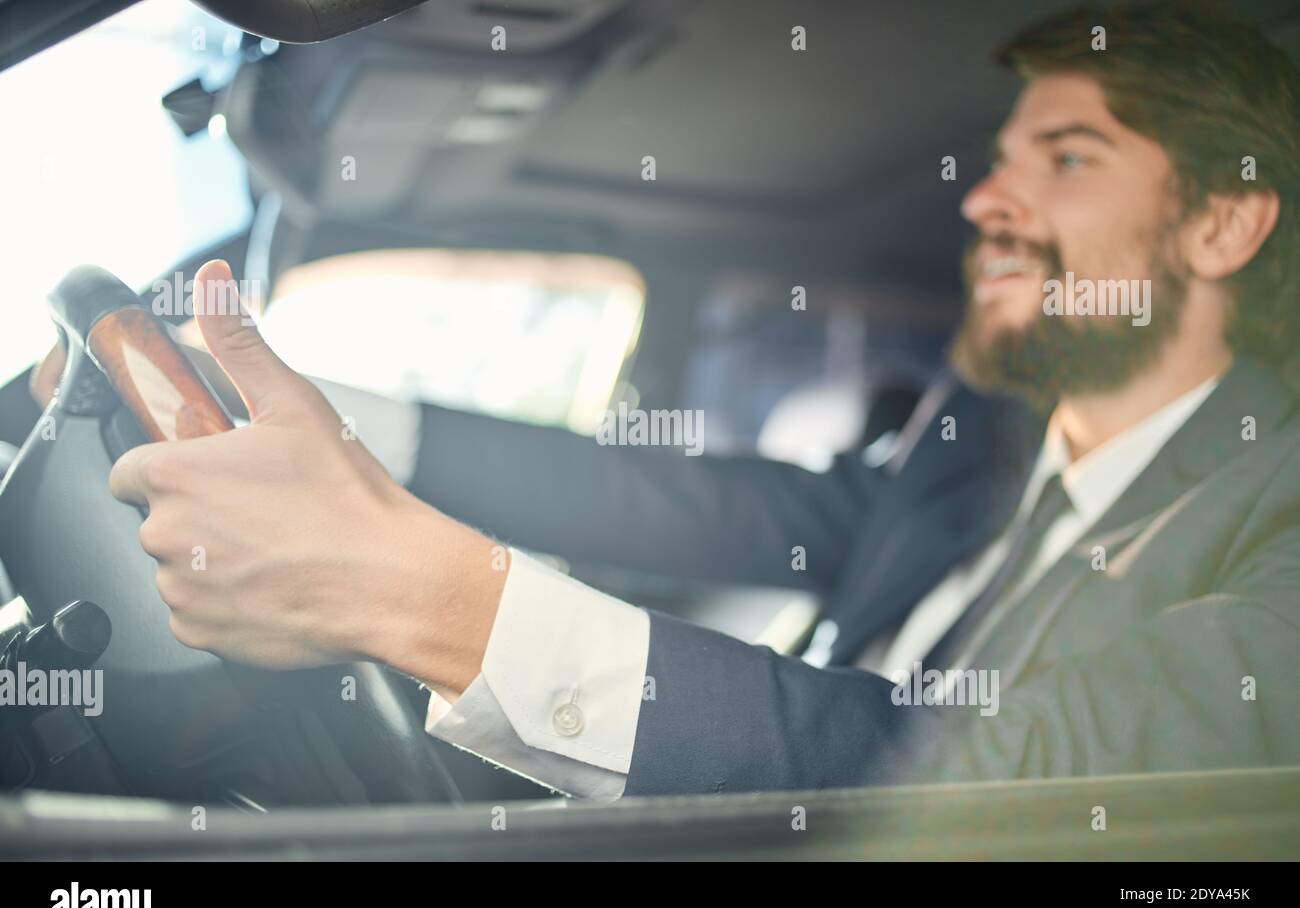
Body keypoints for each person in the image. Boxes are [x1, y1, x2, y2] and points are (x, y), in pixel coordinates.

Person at [94, 1, 1300, 797]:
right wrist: (329, 417)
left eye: (1068, 156)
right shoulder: (979, 447)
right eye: (1001, 156)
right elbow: (686, 500)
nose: (985, 197)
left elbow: (1012, 778)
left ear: (1222, 219)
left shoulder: (1273, 524)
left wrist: (433, 603)